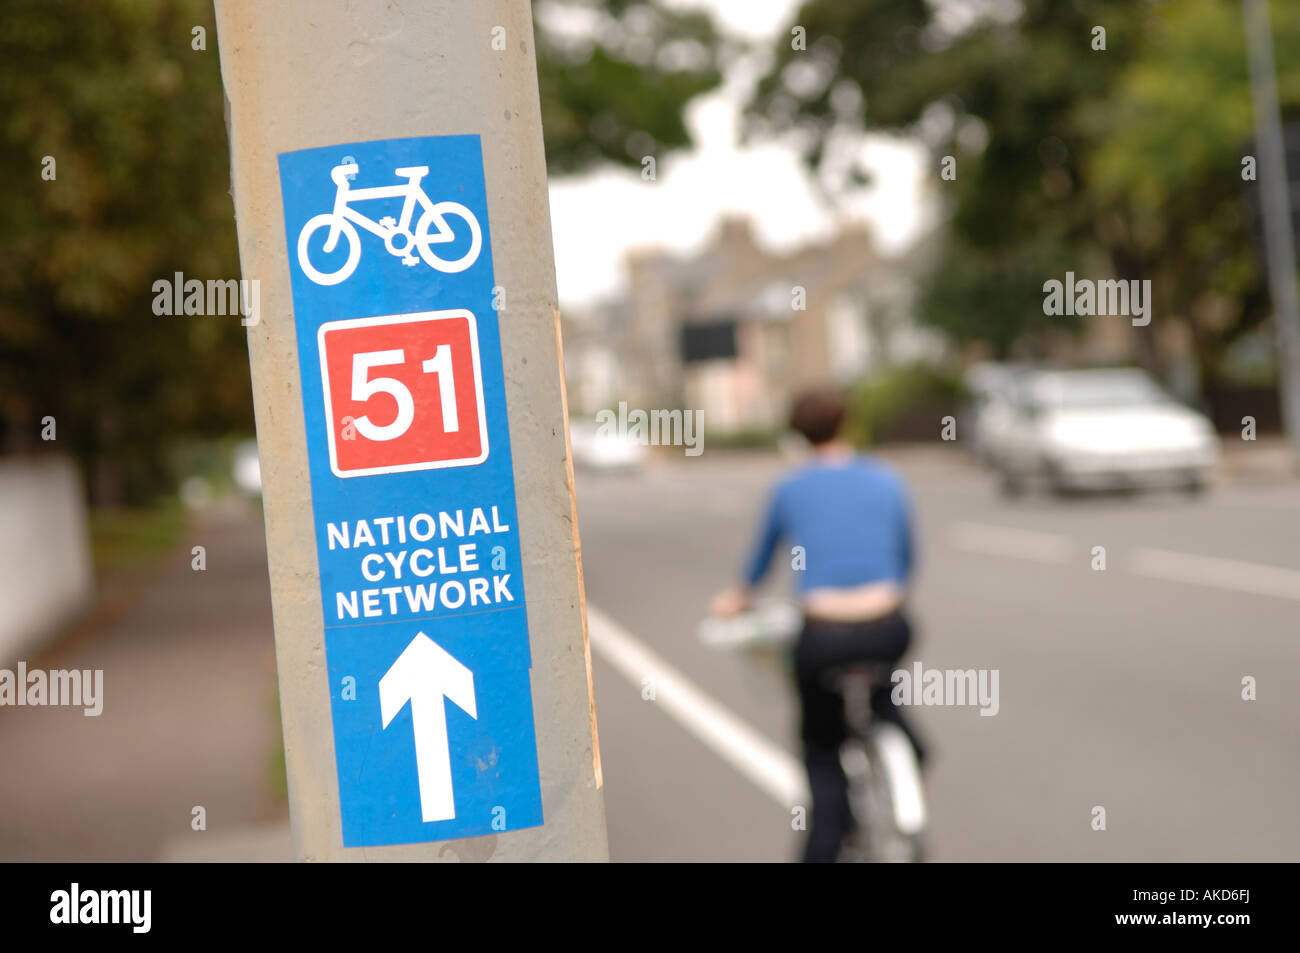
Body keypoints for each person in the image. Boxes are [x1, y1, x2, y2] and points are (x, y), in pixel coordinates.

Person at [709, 386, 925, 863]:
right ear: (847, 423)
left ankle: (829, 836)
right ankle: (910, 751)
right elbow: (906, 559)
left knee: (822, 748)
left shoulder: (790, 487)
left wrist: (735, 599)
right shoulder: (886, 478)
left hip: (824, 636)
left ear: (798, 435)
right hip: (889, 625)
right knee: (883, 690)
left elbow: (760, 563)